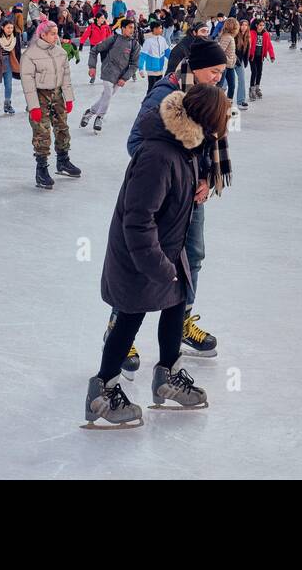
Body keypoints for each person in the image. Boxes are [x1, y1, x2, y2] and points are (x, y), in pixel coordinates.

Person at [84, 84, 232, 427]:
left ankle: (167, 376)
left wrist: (202, 183)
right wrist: (157, 266)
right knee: (129, 320)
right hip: (140, 254)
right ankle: (101, 391)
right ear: (204, 123)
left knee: (177, 301)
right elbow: (137, 220)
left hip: (166, 247)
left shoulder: (186, 147)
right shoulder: (159, 156)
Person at [20, 19, 80, 188]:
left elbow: (66, 77)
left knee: (62, 127)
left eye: (56, 33)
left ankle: (63, 161)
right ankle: (41, 170)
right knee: (42, 132)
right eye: (52, 33)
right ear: (42, 34)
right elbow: (27, 82)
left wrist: (68, 98)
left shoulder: (60, 52)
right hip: (40, 95)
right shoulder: (30, 54)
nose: (56, 36)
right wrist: (33, 106)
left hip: (58, 94)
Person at [82, 18, 140, 134]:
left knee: (106, 96)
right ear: (123, 28)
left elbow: (134, 65)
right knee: (108, 93)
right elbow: (95, 50)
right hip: (108, 70)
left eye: (133, 28)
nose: (132, 30)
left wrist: (124, 78)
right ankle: (100, 117)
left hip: (120, 75)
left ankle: (90, 112)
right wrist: (92, 66)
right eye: (130, 27)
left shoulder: (134, 45)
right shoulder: (114, 38)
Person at [138, 19, 170, 94]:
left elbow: (168, 53)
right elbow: (143, 56)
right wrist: (141, 69)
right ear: (154, 29)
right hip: (151, 69)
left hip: (160, 68)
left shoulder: (162, 40)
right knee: (152, 88)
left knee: (159, 88)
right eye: (160, 28)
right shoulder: (148, 41)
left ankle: (156, 103)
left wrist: (175, 61)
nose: (161, 30)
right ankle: (147, 103)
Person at [248, 18, 275, 99]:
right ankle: (251, 89)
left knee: (259, 72)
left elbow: (269, 45)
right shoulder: (251, 33)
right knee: (254, 72)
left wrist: (272, 56)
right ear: (256, 25)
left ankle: (257, 88)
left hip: (260, 56)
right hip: (252, 56)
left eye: (263, 25)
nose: (261, 27)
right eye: (260, 25)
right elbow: (247, 44)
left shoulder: (265, 34)